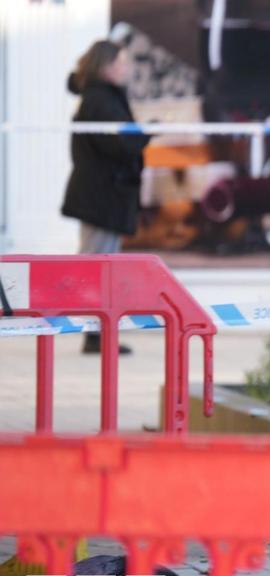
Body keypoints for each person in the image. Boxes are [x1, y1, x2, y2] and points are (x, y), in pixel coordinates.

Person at [61, 40, 148, 355]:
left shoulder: (99, 97)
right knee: (96, 266)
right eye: (121, 62)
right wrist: (146, 133)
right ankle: (94, 332)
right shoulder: (100, 100)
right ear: (106, 66)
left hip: (102, 196)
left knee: (100, 264)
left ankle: (97, 331)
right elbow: (120, 144)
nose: (125, 68)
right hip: (101, 197)